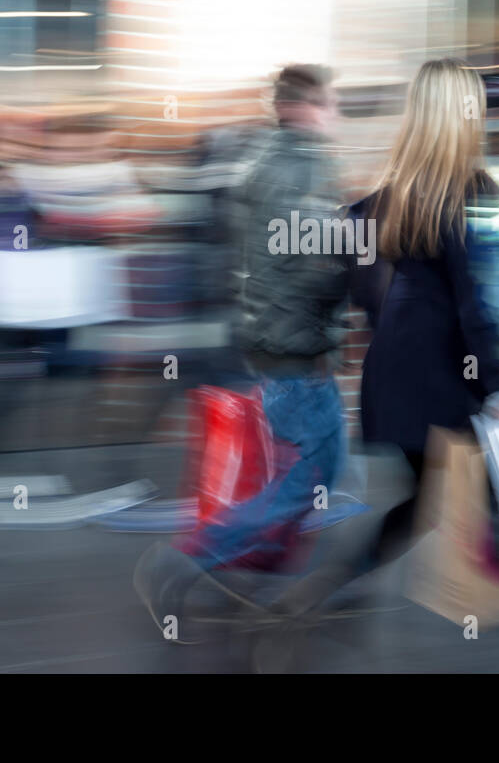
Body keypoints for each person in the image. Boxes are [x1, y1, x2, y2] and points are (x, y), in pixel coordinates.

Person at [272, 57, 499, 617]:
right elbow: (472, 311)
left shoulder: (389, 200)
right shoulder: (452, 201)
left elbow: (358, 279)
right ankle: (495, 571)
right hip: (439, 382)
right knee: (472, 488)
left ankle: (323, 594)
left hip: (395, 380)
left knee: (431, 500)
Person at [134, 64, 350, 640]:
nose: (337, 114)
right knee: (310, 477)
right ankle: (189, 559)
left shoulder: (259, 158)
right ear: (305, 106)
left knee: (306, 472)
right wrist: (367, 250)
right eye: (332, 102)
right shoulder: (305, 163)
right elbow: (318, 261)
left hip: (269, 341)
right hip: (296, 348)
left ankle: (260, 567)